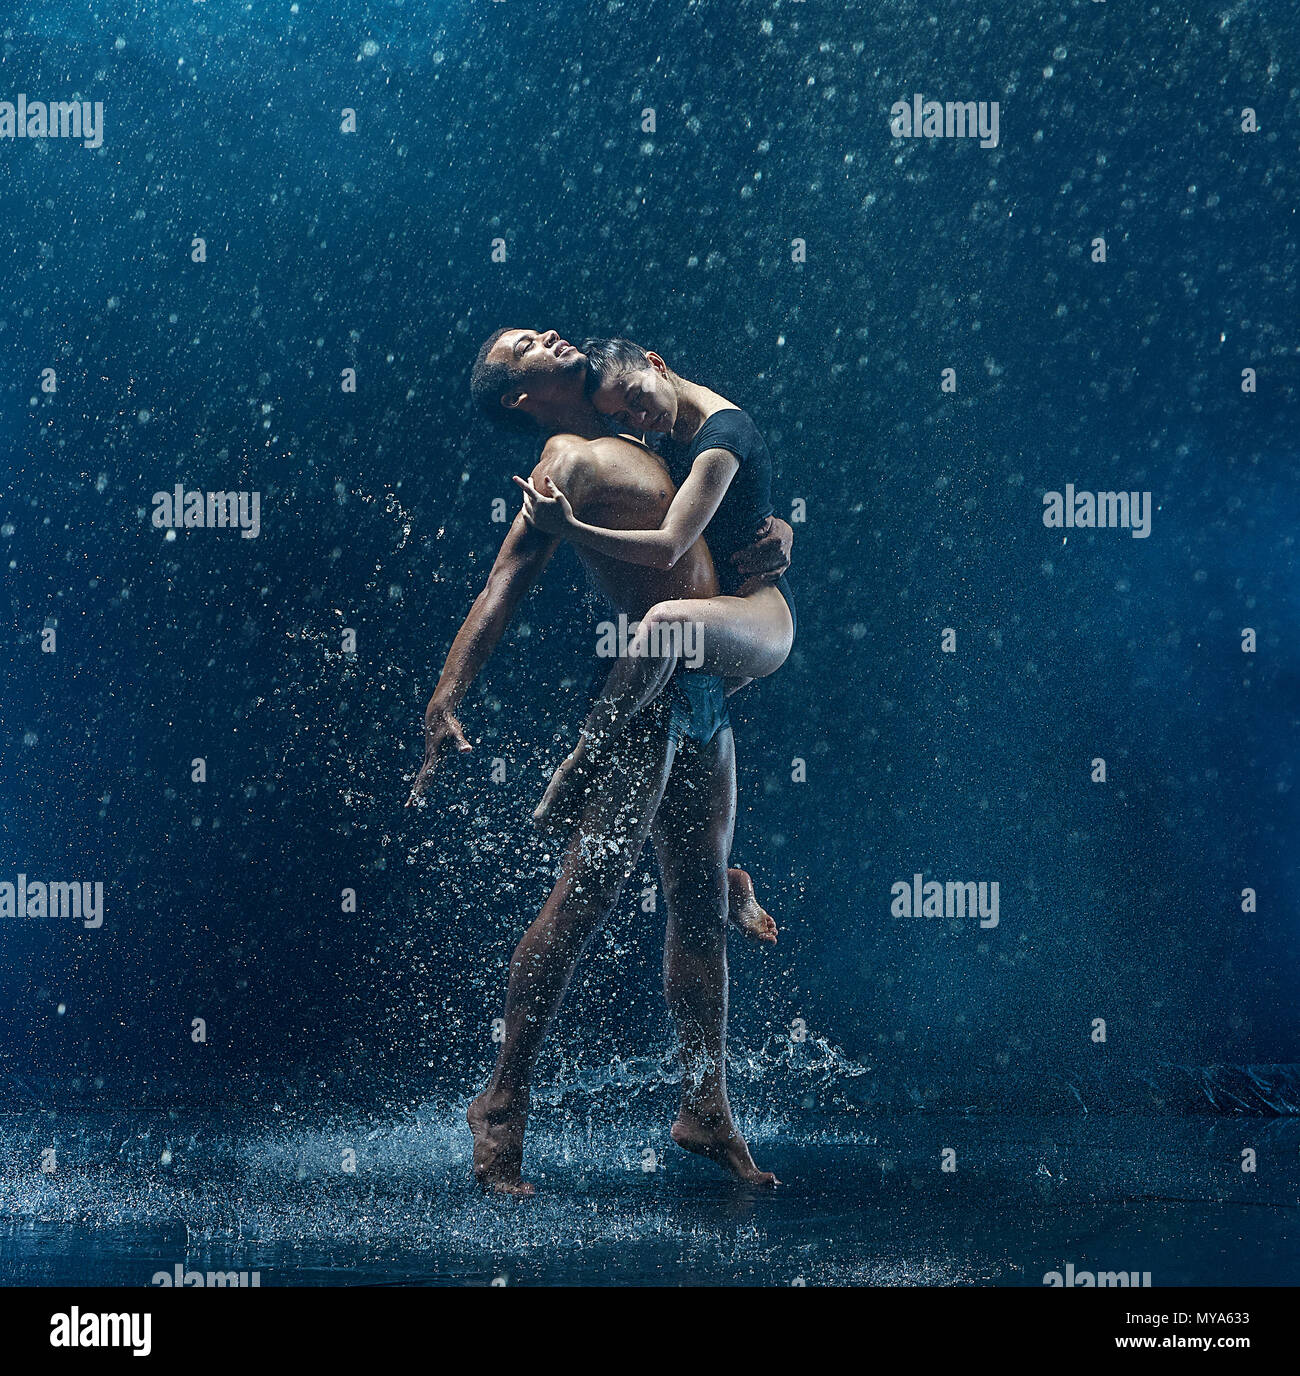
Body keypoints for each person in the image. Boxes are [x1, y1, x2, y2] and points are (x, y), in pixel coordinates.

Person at [407, 328, 790, 1193]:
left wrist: (782, 535)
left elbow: (731, 507)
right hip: (639, 707)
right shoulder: (566, 459)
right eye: (523, 345)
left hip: (702, 693)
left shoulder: (642, 421)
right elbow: (505, 581)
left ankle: (707, 1108)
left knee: (697, 909)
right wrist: (448, 694)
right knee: (583, 901)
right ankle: (500, 1109)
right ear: (518, 394)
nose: (545, 333)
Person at [514, 337, 795, 828]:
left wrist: (571, 528)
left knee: (664, 625)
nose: (639, 420)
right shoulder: (667, 434)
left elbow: (669, 548)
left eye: (638, 399)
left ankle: (577, 767)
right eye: (624, 418)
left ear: (657, 365)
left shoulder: (721, 436)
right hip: (720, 614)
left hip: (762, 616)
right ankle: (734, 895)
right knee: (651, 724)